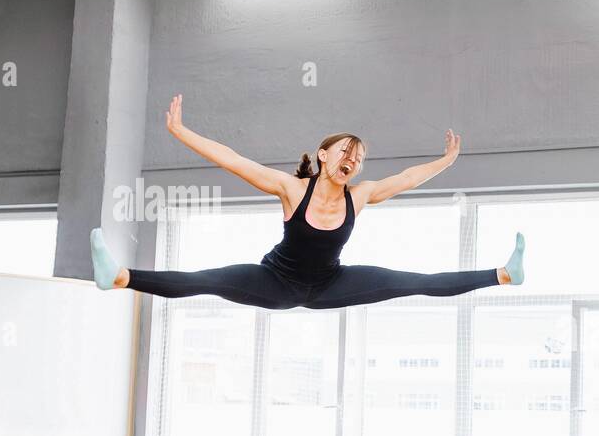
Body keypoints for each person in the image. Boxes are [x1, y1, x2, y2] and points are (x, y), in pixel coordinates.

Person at [90, 94, 525, 309]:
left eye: (358, 157)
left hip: (331, 284)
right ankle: (120, 277)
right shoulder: (292, 189)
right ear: (323, 155)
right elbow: (234, 160)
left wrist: (447, 160)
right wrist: (181, 132)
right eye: (344, 152)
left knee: (415, 281)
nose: (351, 160)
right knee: (206, 279)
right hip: (275, 282)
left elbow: (408, 178)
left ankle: (504, 275)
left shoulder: (362, 195)